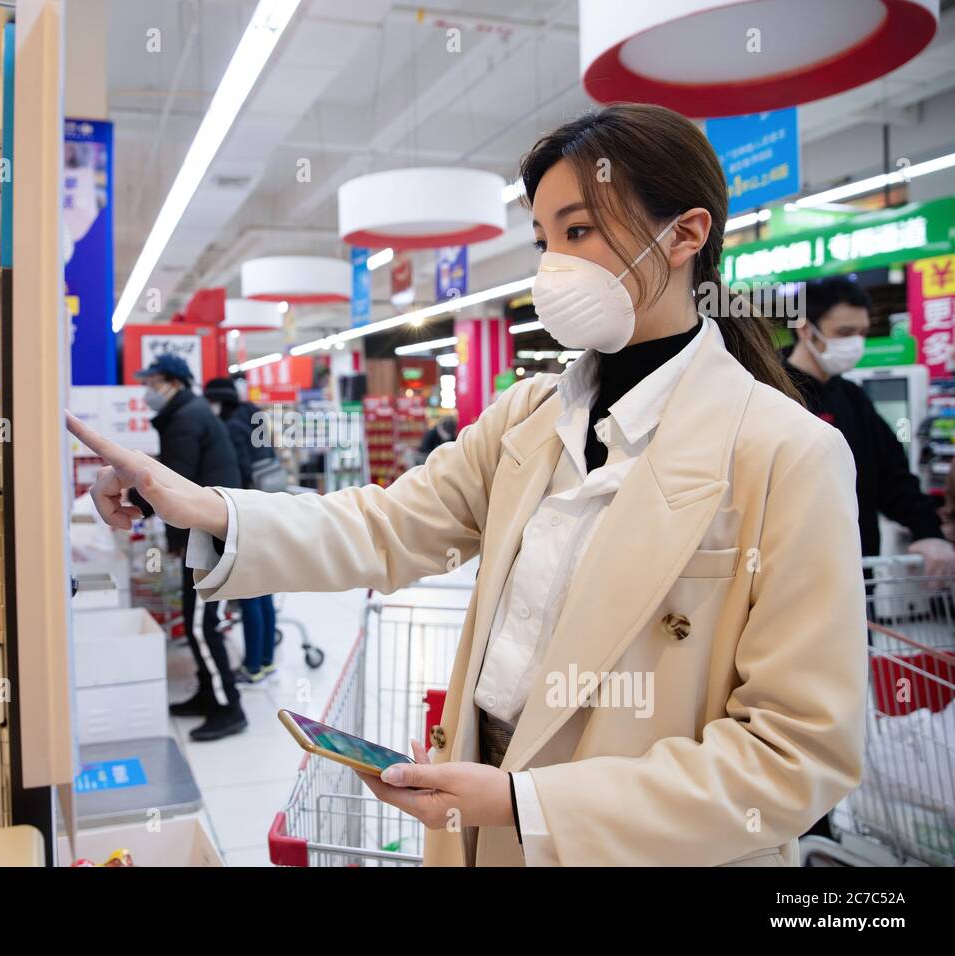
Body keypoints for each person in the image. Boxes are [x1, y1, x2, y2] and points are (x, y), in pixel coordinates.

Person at [69, 103, 867, 866]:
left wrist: (530, 805)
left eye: (580, 230)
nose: (553, 264)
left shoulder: (784, 454)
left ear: (686, 234)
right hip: (483, 827)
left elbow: (796, 753)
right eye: (544, 238)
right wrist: (200, 504)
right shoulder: (527, 417)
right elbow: (388, 526)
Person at [784, 276, 955, 575]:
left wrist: (928, 532)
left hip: (856, 570)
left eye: (862, 333)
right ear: (804, 329)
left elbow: (893, 478)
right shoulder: (766, 389)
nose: (855, 343)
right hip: (788, 570)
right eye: (844, 332)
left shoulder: (852, 398)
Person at [131, 354, 247, 742]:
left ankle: (228, 707)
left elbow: (174, 483)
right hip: (207, 530)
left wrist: (134, 504)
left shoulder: (184, 418)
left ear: (173, 383)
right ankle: (207, 693)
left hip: (209, 534)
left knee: (200, 626)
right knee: (198, 619)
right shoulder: (188, 413)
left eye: (154, 382)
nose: (149, 390)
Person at [203, 376, 278, 685]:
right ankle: (267, 660)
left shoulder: (232, 425)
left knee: (249, 591)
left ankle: (252, 666)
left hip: (249, 513)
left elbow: (242, 471)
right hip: (270, 508)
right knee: (265, 590)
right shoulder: (254, 413)